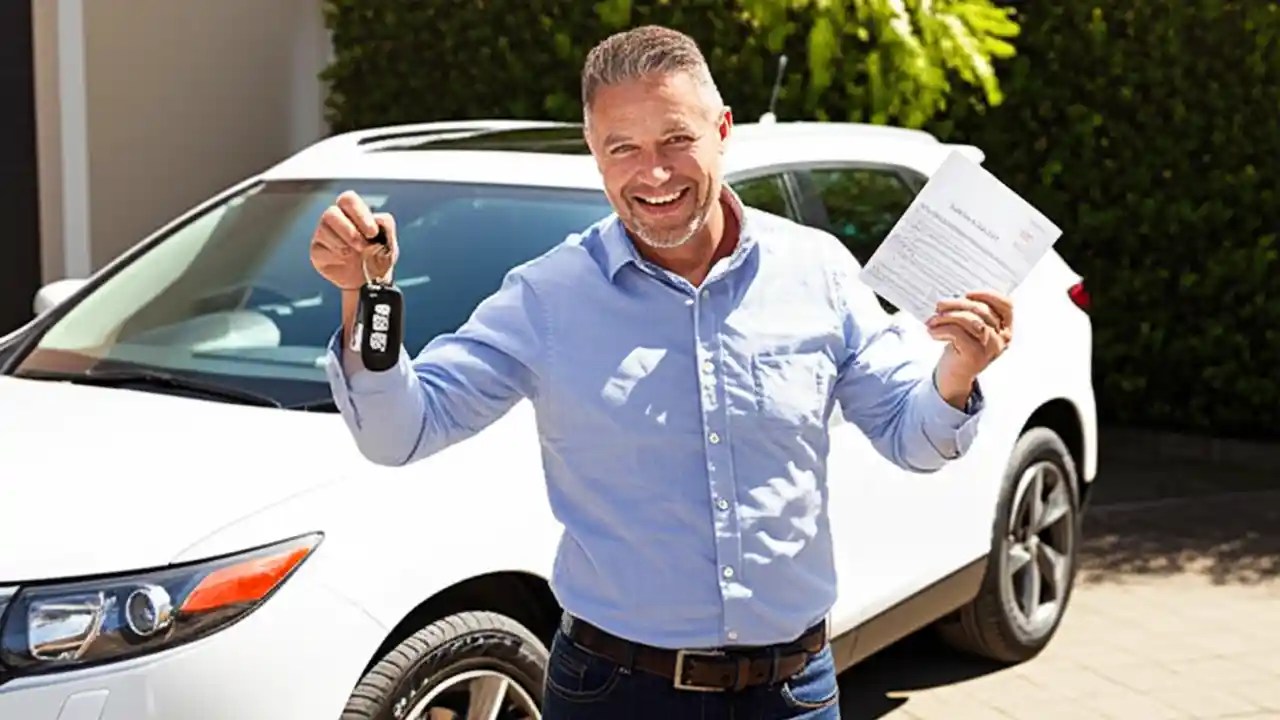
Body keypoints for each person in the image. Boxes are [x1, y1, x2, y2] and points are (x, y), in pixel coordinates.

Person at [310, 24, 1012, 720]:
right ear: (596, 153)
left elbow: (914, 438)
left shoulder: (818, 271)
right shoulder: (547, 297)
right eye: (624, 148)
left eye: (676, 139)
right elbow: (401, 431)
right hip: (616, 694)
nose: (653, 172)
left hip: (793, 693)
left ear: (723, 130)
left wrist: (956, 372)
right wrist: (361, 294)